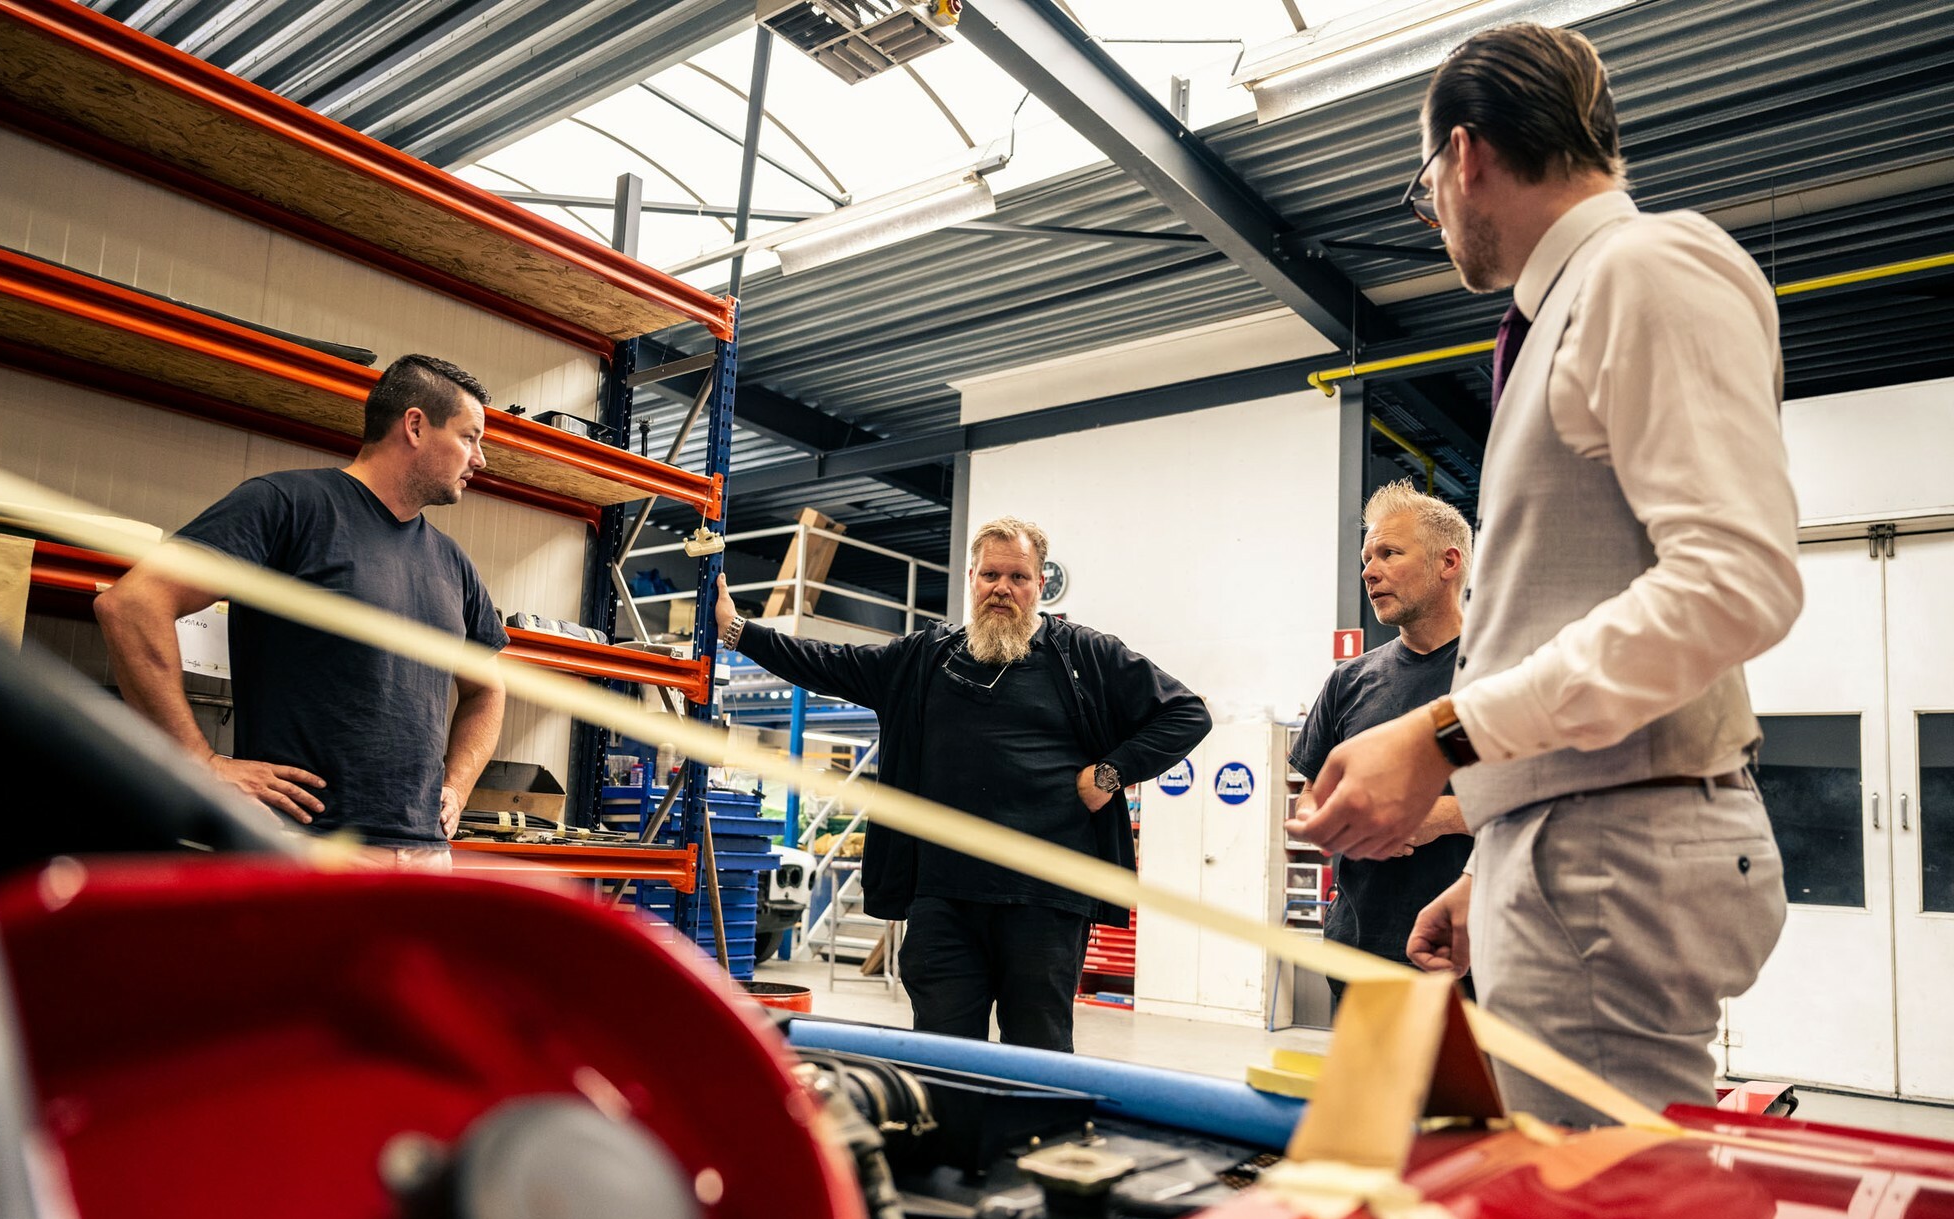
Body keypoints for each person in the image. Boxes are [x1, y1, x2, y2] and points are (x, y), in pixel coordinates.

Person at [1285, 23, 1802, 1123]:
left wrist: (1443, 737)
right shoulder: (1560, 308)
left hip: (1618, 859)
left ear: (1464, 156)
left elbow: (1734, 581)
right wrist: (1501, 865)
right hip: (1572, 857)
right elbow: (1579, 600)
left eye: (1426, 189)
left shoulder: (1643, 268)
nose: (1436, 219)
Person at [719, 516, 1210, 1051]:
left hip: (1044, 903)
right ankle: (951, 1134)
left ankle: (1028, 1135)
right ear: (971, 578)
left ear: (1039, 585)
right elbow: (829, 663)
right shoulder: (924, 658)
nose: (1003, 588)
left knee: (1038, 1051)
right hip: (942, 900)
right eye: (991, 575)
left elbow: (1187, 713)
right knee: (943, 1052)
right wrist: (736, 630)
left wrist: (1111, 774)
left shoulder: (1084, 656)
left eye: (1019, 577)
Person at [97, 354, 510, 869]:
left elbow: (487, 688)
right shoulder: (288, 505)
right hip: (305, 846)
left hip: (423, 852)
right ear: (415, 426)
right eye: (470, 437)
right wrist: (200, 762)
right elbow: (132, 605)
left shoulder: (451, 561)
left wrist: (458, 785)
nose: (480, 459)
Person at [1290, 480, 1475, 1009]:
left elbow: (1546, 804)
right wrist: (1334, 823)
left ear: (1448, 563)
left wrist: (1437, 816)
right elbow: (1311, 797)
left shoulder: (1502, 675)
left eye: (1389, 553)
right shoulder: (1349, 681)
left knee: (1465, 1096)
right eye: (1367, 557)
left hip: (1466, 953)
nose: (1369, 571)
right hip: (1360, 946)